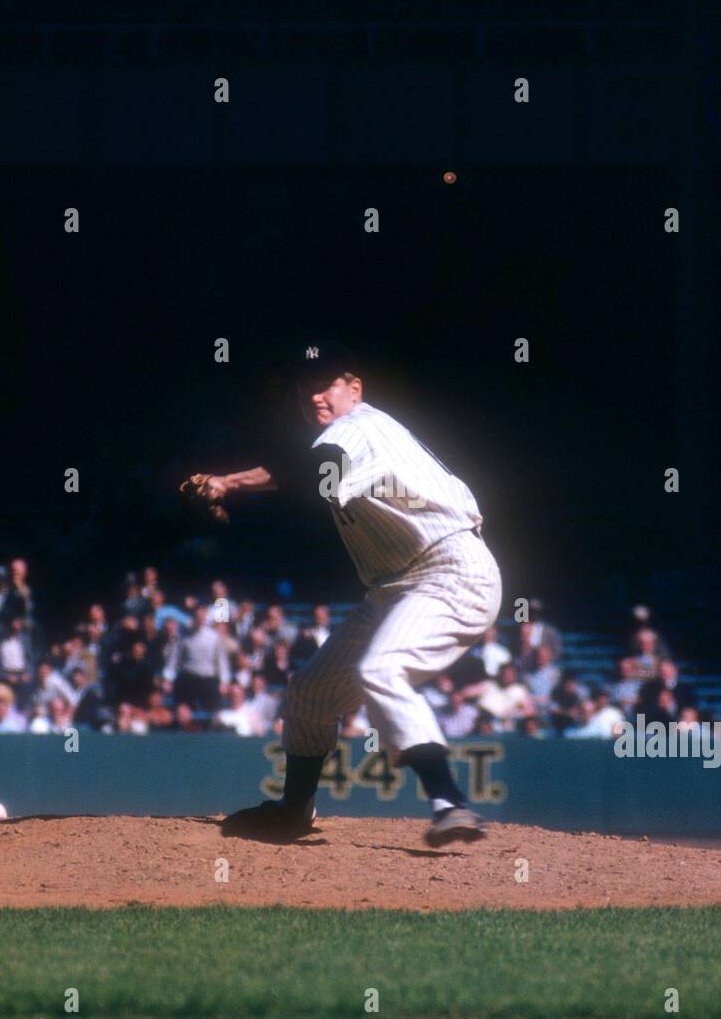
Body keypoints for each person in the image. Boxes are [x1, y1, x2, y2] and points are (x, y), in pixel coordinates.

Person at [186, 340, 502, 847]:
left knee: (382, 669)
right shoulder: (339, 440)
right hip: (396, 589)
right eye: (307, 386)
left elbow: (311, 471)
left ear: (355, 390)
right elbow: (302, 471)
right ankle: (294, 811)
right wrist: (228, 482)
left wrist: (230, 483)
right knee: (310, 694)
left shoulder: (358, 428)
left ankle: (451, 804)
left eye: (327, 383)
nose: (315, 394)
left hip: (451, 569)